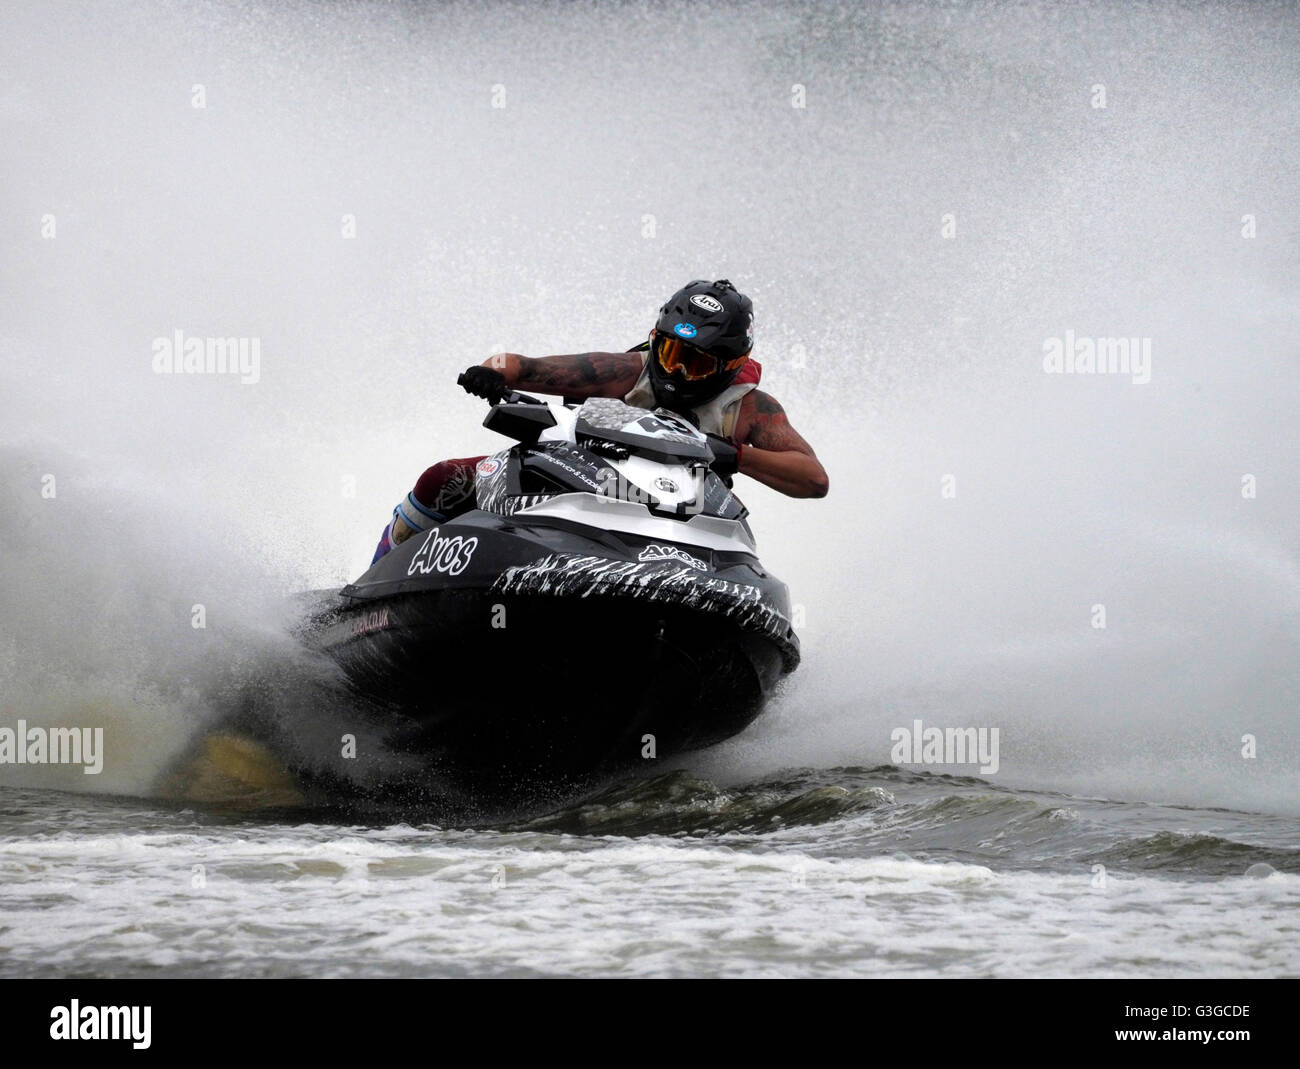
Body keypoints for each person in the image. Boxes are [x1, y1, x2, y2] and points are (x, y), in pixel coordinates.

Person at [371, 279, 829, 563]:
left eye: (699, 364)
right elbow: (523, 366)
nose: (679, 372)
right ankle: (378, 579)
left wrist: (736, 455)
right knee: (443, 478)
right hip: (582, 479)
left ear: (731, 364)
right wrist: (490, 372)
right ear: (656, 340)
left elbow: (814, 479)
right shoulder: (626, 371)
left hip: (680, 514)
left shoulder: (749, 408)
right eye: (672, 354)